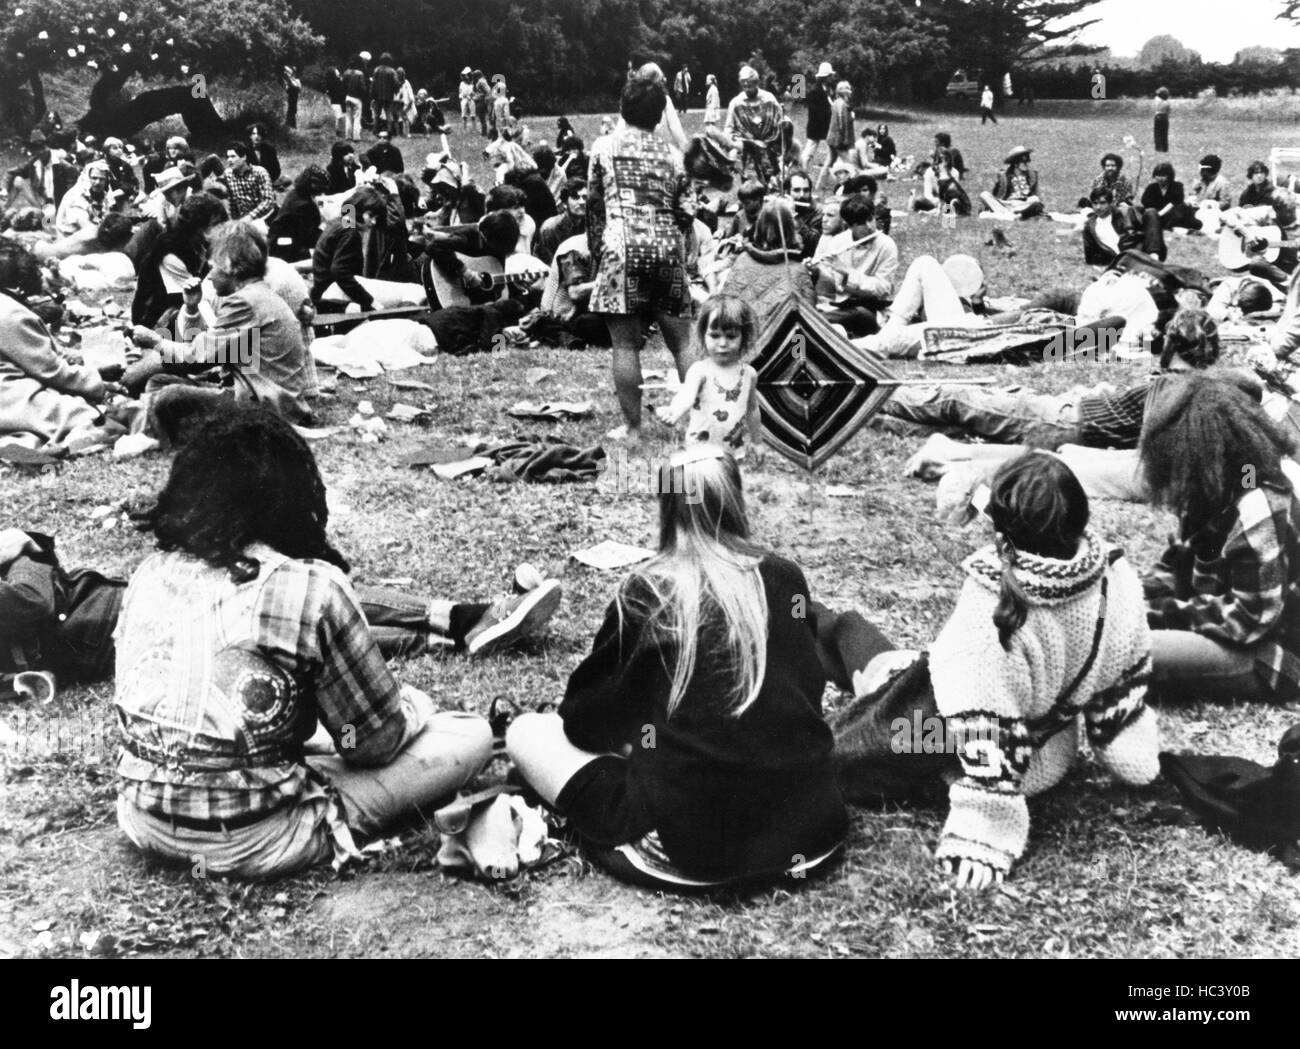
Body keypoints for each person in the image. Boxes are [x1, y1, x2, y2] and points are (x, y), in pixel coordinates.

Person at [112, 406, 561, 880]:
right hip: (261, 835)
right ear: (292, 492)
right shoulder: (311, 586)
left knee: (308, 735)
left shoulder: (149, 573)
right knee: (468, 735)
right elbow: (374, 745)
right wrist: (414, 703)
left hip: (143, 819)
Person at [507, 446, 847, 889]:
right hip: (813, 828)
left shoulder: (648, 591)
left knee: (527, 732)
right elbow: (805, 689)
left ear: (666, 506)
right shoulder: (786, 576)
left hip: (695, 850)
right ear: (736, 499)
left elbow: (586, 722)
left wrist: (634, 738)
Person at [834, 452, 1158, 890]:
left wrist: (983, 829)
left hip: (936, 732)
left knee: (822, 754)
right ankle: (860, 660)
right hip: (1045, 752)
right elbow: (1124, 674)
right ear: (1080, 515)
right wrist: (1131, 750)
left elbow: (983, 725)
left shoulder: (991, 611)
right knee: (867, 658)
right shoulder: (1114, 576)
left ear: (1003, 529)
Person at [1140, 373, 1300, 703]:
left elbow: (1247, 619)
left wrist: (1158, 612)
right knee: (1118, 633)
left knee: (1128, 650)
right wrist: (1132, 599)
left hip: (1269, 655)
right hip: (1225, 628)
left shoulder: (1260, 505)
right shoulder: (1217, 487)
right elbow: (1177, 563)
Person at [587, 77, 695, 443]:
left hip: (622, 248)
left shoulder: (603, 147)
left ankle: (633, 428)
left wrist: (598, 251)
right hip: (667, 247)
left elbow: (594, 202)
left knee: (626, 344)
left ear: (623, 107)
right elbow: (687, 211)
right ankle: (703, 422)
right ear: (660, 113)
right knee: (682, 342)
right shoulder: (674, 155)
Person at [0, 242, 116, 451]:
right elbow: (51, 371)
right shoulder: (11, 313)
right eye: (35, 270)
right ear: (19, 280)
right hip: (10, 397)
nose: (41, 275)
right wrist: (98, 383)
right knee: (102, 421)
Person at [653, 293, 764, 458]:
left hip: (732, 451)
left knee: (729, 484)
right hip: (700, 451)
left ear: (744, 337)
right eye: (715, 335)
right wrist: (674, 411)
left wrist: (757, 441)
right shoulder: (700, 370)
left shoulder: (749, 374)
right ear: (703, 335)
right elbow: (686, 396)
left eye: (731, 336)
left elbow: (752, 409)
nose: (722, 343)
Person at [131, 192, 229, 329]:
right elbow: (196, 299)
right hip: (157, 317)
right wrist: (218, 330)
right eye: (215, 224)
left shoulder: (200, 244)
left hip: (188, 306)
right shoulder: (171, 252)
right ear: (197, 227)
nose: (222, 229)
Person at [809, 192, 898, 337]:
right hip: (839, 309)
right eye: (863, 223)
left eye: (871, 219)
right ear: (850, 225)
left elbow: (883, 289)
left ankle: (813, 323)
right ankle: (820, 328)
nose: (870, 226)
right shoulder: (838, 242)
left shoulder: (887, 245)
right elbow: (830, 289)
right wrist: (815, 272)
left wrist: (847, 272)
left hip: (871, 311)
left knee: (858, 314)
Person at [311, 185, 411, 312]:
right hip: (332, 291)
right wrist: (370, 301)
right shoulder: (350, 232)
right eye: (370, 215)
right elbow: (340, 272)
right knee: (415, 291)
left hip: (321, 287)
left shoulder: (340, 222)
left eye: (376, 218)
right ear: (358, 210)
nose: (374, 222)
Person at [724, 65, 785, 186]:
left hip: (768, 149)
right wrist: (731, 145)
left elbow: (780, 121)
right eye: (744, 85)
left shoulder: (769, 99)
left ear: (756, 83)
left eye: (750, 85)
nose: (747, 88)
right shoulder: (736, 103)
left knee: (770, 183)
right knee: (749, 187)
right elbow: (729, 128)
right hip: (747, 152)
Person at [267, 165, 328, 262]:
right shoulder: (304, 206)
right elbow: (311, 240)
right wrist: (324, 226)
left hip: (277, 243)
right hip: (290, 252)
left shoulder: (295, 193)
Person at [53, 160, 122, 237]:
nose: (98, 182)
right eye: (94, 178)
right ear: (86, 178)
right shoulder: (76, 195)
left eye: (102, 179)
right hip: (69, 238)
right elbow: (86, 226)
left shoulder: (103, 195)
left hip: (91, 236)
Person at [1082, 186, 1143, 267]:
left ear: (1111, 203)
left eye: (1102, 203)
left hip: (1135, 256)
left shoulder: (1121, 216)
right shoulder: (1089, 227)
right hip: (1115, 262)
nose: (1098, 207)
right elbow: (1090, 257)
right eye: (1095, 203)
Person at [533, 178, 586, 266]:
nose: (582, 202)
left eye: (585, 197)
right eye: (575, 197)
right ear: (565, 203)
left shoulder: (591, 225)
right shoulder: (550, 229)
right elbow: (546, 265)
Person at [982, 146, 1044, 219]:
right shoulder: (1004, 176)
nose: (1026, 164)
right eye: (1023, 162)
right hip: (1007, 204)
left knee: (1035, 199)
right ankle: (1013, 215)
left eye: (1027, 162)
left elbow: (1036, 194)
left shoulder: (1032, 175)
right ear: (1015, 163)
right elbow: (998, 196)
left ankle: (1007, 215)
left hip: (1024, 204)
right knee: (984, 195)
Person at [220, 142, 276, 223]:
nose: (229, 160)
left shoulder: (259, 172)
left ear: (244, 157)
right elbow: (231, 202)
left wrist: (250, 217)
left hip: (264, 217)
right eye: (228, 157)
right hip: (242, 219)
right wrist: (233, 222)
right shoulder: (228, 174)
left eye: (233, 156)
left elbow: (268, 201)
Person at [801, 62, 835, 175]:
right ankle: (803, 171)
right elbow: (816, 111)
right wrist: (830, 111)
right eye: (830, 75)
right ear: (825, 77)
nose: (831, 78)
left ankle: (828, 173)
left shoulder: (827, 89)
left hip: (825, 126)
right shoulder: (815, 91)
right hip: (816, 126)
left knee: (832, 149)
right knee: (809, 151)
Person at [783, 169, 822, 257]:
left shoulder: (818, 210)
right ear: (787, 192)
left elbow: (814, 242)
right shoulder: (781, 206)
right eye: (796, 190)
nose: (801, 195)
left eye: (806, 190)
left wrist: (794, 217)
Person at [825, 80, 855, 173]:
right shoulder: (843, 105)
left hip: (832, 137)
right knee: (849, 164)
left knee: (830, 161)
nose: (850, 92)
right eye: (849, 90)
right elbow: (843, 124)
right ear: (845, 92)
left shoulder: (836, 102)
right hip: (839, 140)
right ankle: (853, 186)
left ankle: (820, 184)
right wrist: (846, 139)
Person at [370, 53, 400, 136]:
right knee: (388, 114)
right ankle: (389, 131)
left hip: (377, 96)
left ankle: (374, 131)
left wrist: (372, 94)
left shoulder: (376, 70)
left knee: (376, 114)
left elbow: (373, 83)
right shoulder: (392, 71)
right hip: (388, 96)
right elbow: (396, 83)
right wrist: (395, 91)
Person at [342, 57, 368, 142]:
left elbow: (343, 85)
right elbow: (363, 88)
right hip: (357, 98)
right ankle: (356, 137)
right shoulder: (360, 73)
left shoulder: (346, 72)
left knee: (348, 117)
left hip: (348, 97)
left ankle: (348, 136)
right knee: (357, 118)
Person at [325, 64, 348, 138]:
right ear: (333, 73)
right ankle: (340, 133)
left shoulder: (329, 82)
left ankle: (338, 133)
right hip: (339, 101)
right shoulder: (337, 82)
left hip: (334, 101)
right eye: (337, 71)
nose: (338, 72)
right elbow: (341, 93)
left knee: (338, 118)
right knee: (340, 117)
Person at [472, 69, 492, 137]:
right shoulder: (481, 81)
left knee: (482, 117)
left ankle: (484, 132)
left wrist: (481, 97)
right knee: (482, 117)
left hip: (482, 101)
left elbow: (488, 91)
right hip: (480, 101)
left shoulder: (481, 81)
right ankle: (484, 132)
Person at [282, 66, 301, 130]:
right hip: (291, 96)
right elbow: (287, 89)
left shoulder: (297, 80)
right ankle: (291, 126)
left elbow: (299, 89)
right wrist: (289, 83)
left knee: (293, 110)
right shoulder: (288, 82)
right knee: (291, 110)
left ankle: (290, 125)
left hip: (295, 96)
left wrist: (292, 83)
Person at [1153, 86, 1171, 153]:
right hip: (1165, 117)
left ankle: (1158, 148)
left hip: (1158, 116)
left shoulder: (1156, 100)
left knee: (1157, 133)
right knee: (1164, 134)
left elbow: (1157, 95)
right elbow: (1169, 111)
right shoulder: (1167, 103)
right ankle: (1165, 149)